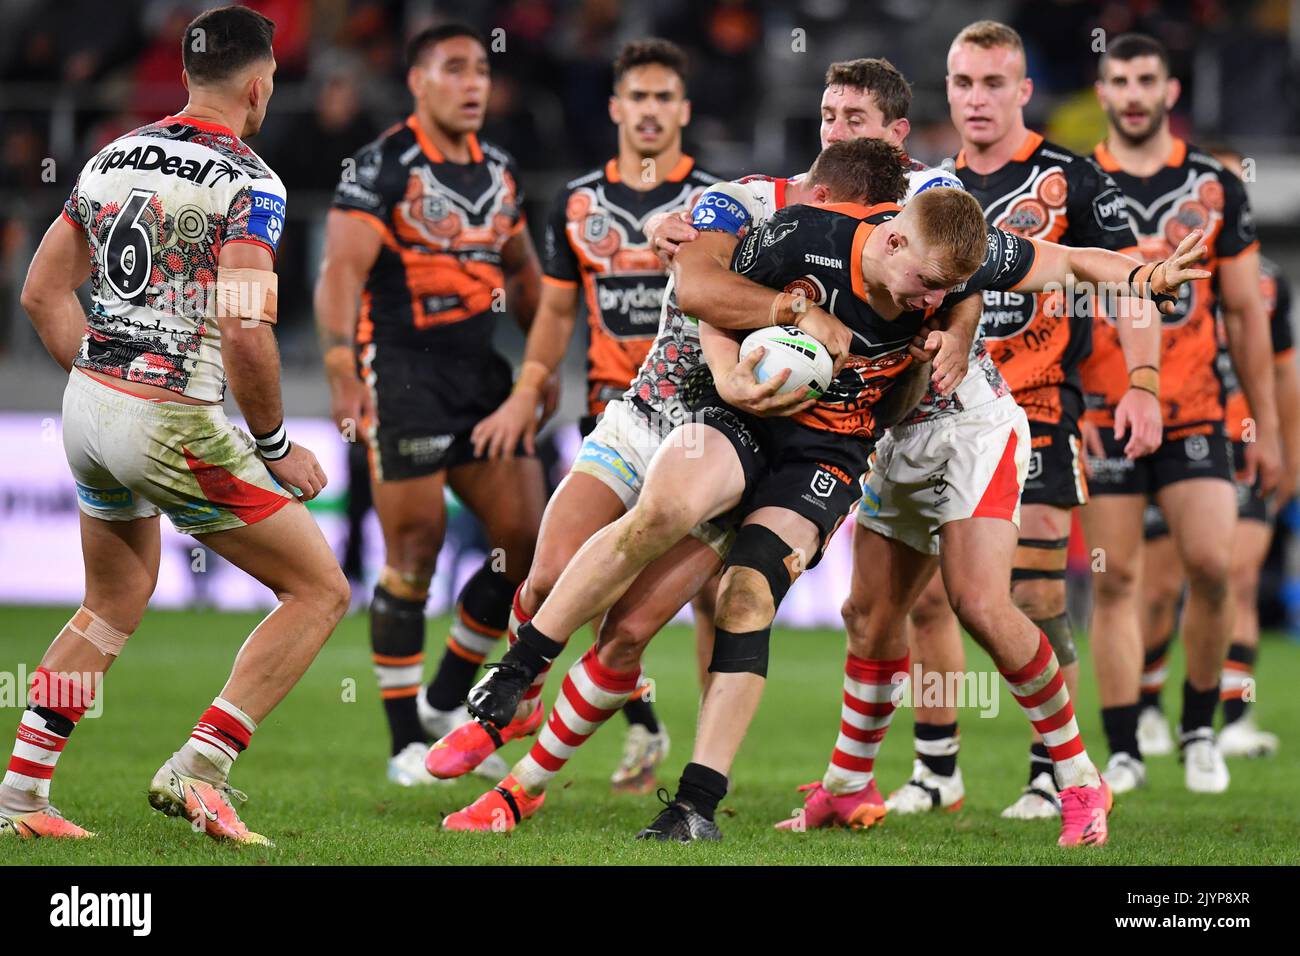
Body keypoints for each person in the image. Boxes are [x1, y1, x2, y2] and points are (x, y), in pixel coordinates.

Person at [2, 6, 348, 844]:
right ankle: (200, 768)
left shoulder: (113, 154)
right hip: (167, 420)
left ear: (191, 74)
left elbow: (41, 293)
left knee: (110, 603)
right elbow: (243, 327)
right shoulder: (250, 180)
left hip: (85, 408)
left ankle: (21, 797)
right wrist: (272, 447)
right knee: (319, 590)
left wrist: (103, 381)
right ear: (261, 83)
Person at [429, 39, 722, 795]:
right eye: (639, 98)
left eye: (665, 98)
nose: (652, 112)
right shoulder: (580, 202)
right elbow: (556, 310)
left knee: (696, 605)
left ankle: (699, 755)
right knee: (560, 581)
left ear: (683, 111)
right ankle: (601, 717)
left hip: (702, 434)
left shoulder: (722, 204)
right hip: (615, 413)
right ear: (617, 108)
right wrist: (529, 388)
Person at [888, 20, 1158, 822]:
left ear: (1024, 90)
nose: (977, 98)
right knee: (929, 604)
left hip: (1038, 409)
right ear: (948, 88)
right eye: (963, 82)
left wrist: (1141, 381)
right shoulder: (926, 186)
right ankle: (937, 769)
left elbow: (1131, 274)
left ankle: (1053, 770)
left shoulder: (1073, 177)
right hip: (933, 415)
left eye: (994, 83)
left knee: (1034, 594)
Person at [314, 23, 544, 786]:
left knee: (523, 542)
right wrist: (343, 371)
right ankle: (405, 740)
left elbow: (526, 276)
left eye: (481, 69)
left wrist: (538, 366)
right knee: (412, 554)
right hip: (403, 376)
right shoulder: (382, 166)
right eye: (454, 69)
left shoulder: (504, 172)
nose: (473, 83)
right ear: (418, 82)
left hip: (482, 375)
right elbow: (340, 275)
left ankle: (449, 697)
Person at [1080, 33, 1279, 795]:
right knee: (1119, 579)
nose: (1132, 92)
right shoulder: (1079, 180)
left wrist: (1267, 428)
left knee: (1212, 566)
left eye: (1146, 79)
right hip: (1105, 411)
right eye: (1118, 79)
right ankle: (1125, 743)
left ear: (1170, 92)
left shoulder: (1216, 184)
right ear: (1100, 93)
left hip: (1197, 411)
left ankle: (1200, 726)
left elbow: (1244, 312)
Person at [1138, 146, 1299, 760]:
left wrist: (1285, 443)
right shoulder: (1163, 270)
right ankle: (1149, 709)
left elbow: (1284, 370)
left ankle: (1233, 719)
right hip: (1180, 436)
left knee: (1235, 575)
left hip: (1245, 441)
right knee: (1158, 587)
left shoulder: (1268, 286)